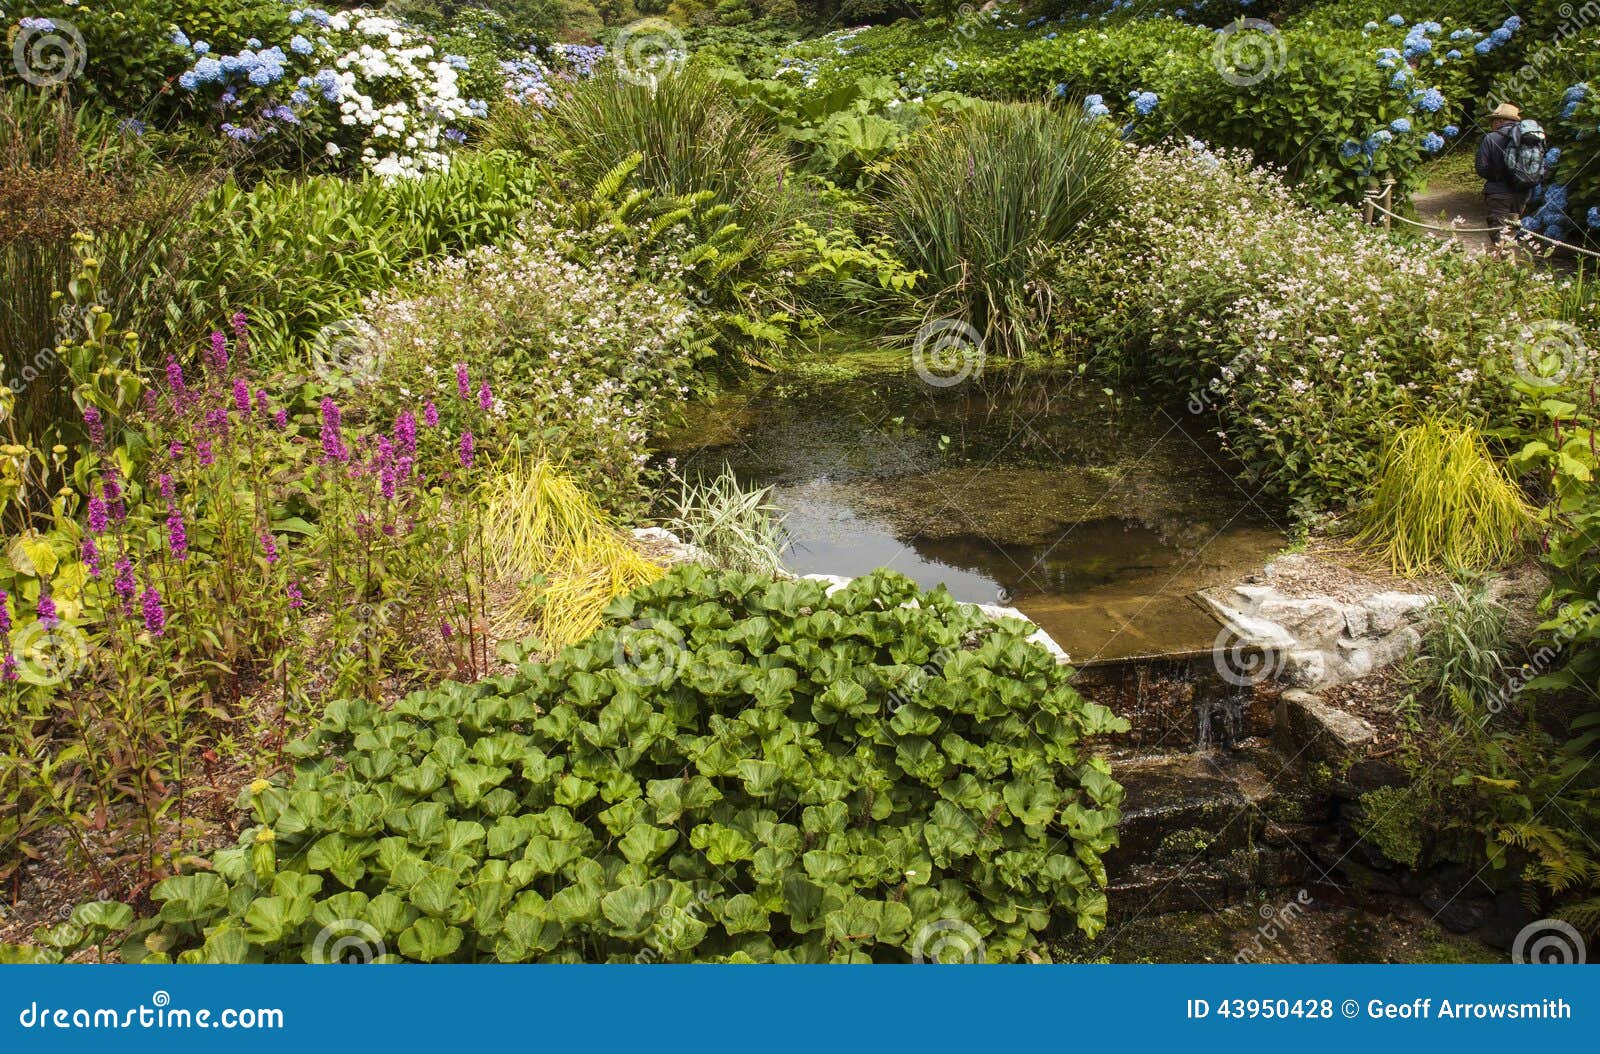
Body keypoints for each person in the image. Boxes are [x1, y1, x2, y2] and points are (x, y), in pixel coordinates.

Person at [1476, 102, 1527, 242]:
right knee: (1512, 229)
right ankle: (1509, 260)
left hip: (1498, 192)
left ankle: (1502, 262)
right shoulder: (1527, 137)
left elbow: (1482, 168)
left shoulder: (1491, 138)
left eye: (1493, 121)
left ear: (1500, 121)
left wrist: (1498, 175)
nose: (1491, 125)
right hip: (1521, 192)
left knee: (1498, 232)